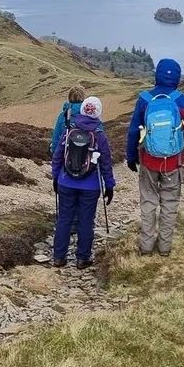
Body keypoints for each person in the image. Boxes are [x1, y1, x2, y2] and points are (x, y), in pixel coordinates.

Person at [126, 58, 184, 256]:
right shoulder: (182, 101)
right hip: (173, 163)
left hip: (149, 161)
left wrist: (131, 156)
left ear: (156, 74)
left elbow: (134, 130)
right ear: (176, 77)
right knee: (169, 203)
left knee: (148, 202)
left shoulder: (144, 99)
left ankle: (146, 246)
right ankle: (165, 247)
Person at [50, 96, 115, 269]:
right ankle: (82, 259)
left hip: (66, 182)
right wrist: (109, 185)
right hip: (90, 186)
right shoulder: (99, 135)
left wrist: (55, 177)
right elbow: (106, 163)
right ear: (98, 112)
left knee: (64, 219)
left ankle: (58, 258)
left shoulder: (68, 131)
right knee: (86, 221)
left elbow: (57, 156)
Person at [50, 85, 86, 157]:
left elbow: (56, 138)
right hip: (86, 154)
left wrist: (54, 152)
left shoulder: (63, 115)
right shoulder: (89, 114)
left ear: (69, 98)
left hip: (67, 154)